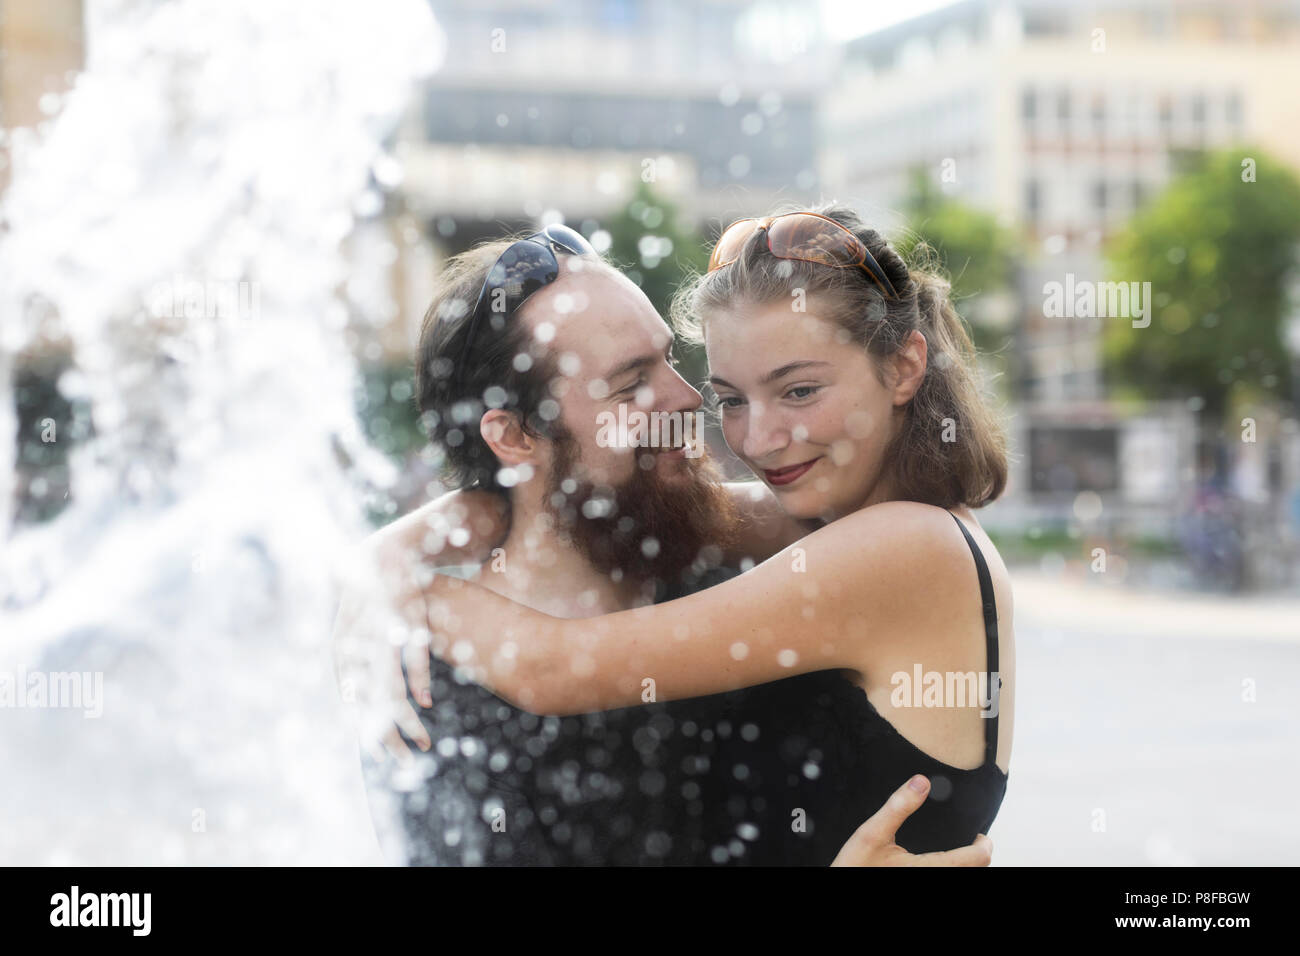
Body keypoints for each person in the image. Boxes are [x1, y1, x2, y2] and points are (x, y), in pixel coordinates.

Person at [336, 215, 1002, 865]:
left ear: (905, 367)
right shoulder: (422, 681)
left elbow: (552, 666)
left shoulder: (898, 546)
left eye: (800, 390)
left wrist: (404, 588)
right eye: (731, 398)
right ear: (512, 437)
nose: (692, 404)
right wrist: (381, 564)